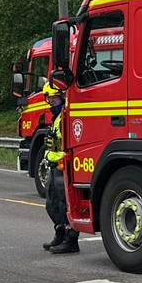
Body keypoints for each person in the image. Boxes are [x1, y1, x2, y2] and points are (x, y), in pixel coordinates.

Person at [41, 82, 79, 254]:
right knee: (52, 204)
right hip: (54, 164)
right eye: (50, 100)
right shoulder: (57, 118)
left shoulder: (66, 117)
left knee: (65, 204)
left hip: (63, 165)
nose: (52, 103)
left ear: (63, 98)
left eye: (55, 100)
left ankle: (71, 241)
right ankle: (60, 233)